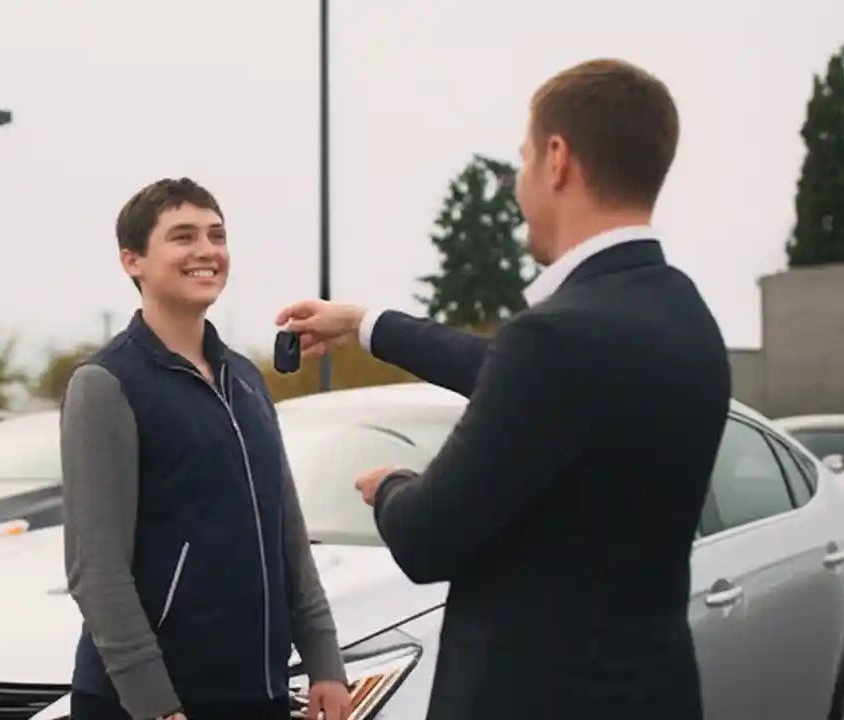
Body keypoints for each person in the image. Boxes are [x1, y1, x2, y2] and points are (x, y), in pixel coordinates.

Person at [276, 59, 730, 720]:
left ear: (557, 159)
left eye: (521, 162)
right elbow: (524, 378)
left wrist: (393, 486)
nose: (519, 186)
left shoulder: (556, 340)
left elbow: (429, 538)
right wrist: (367, 325)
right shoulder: (685, 317)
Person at [61, 178, 352, 720]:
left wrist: (325, 664)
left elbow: (286, 533)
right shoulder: (106, 384)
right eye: (183, 236)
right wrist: (155, 706)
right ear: (133, 261)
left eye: (217, 235)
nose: (206, 251)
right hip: (150, 704)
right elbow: (95, 570)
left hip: (256, 695)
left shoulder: (243, 377)